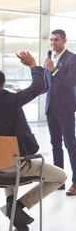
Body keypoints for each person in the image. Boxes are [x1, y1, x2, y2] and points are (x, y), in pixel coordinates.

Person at [0, 51, 67, 231]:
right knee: (60, 177)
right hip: (13, 167)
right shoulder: (7, 100)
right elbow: (39, 85)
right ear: (2, 86)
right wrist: (33, 64)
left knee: (7, 157)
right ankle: (18, 206)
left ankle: (12, 204)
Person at [43, 29, 76, 196]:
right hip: (51, 109)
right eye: (51, 40)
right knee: (55, 144)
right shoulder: (49, 59)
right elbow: (46, 85)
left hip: (66, 108)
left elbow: (71, 82)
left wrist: (54, 70)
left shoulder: (72, 58)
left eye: (56, 40)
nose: (53, 43)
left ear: (64, 40)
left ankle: (75, 182)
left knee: (70, 144)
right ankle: (59, 180)